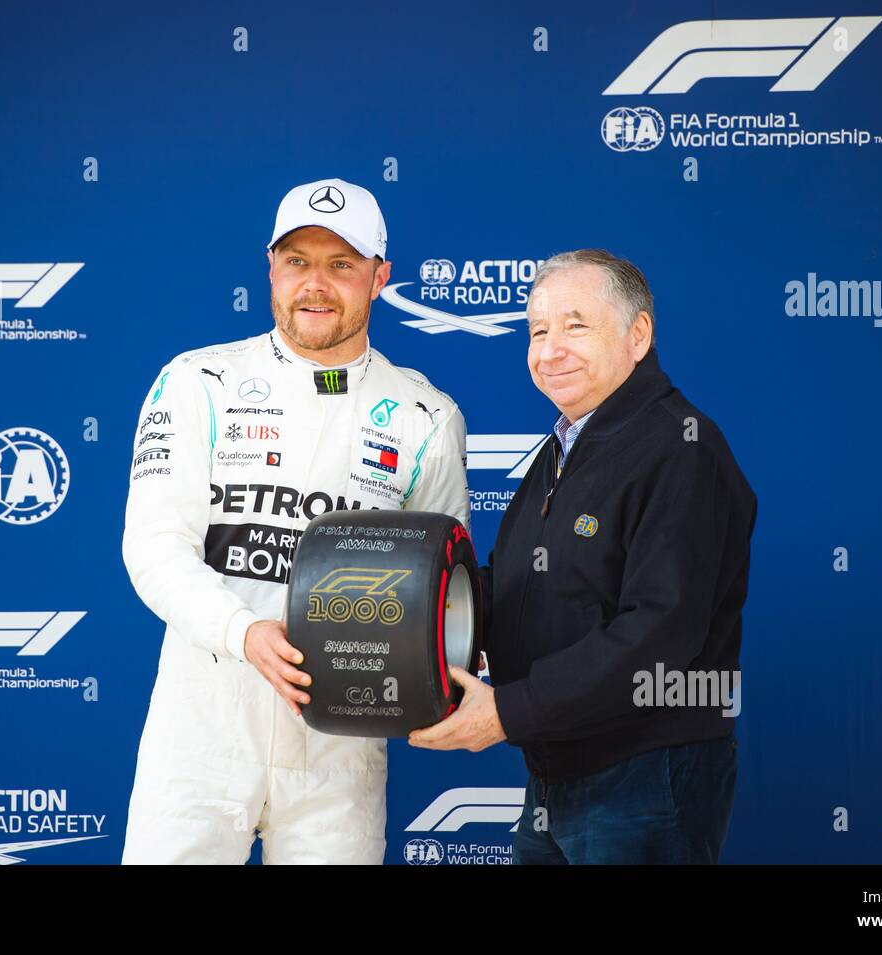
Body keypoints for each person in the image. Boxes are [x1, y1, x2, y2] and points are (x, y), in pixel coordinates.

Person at [120, 177, 471, 864]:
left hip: (340, 745)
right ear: (271, 268)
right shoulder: (197, 381)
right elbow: (154, 546)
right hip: (203, 724)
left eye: (342, 264)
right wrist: (243, 632)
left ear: (380, 278)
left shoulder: (426, 416)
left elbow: (448, 592)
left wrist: (449, 678)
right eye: (298, 261)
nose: (316, 284)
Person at [408, 249, 756, 864]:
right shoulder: (568, 446)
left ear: (638, 335)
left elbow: (659, 632)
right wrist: (405, 620)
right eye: (538, 331)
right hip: (555, 768)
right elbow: (526, 591)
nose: (549, 350)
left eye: (575, 326)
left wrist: (509, 711)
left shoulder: (681, 449)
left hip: (643, 778)